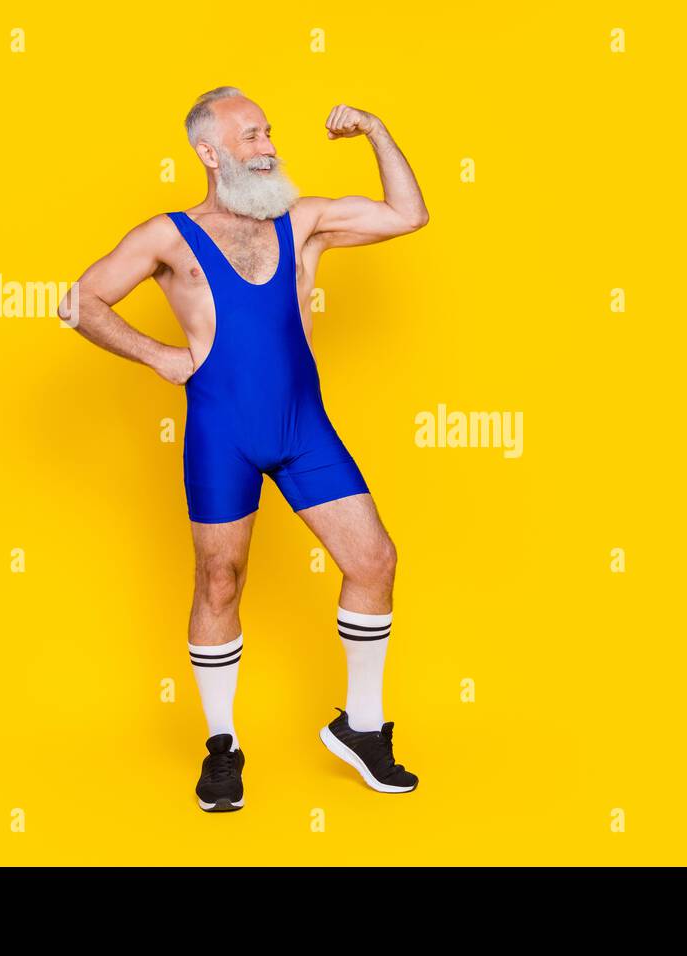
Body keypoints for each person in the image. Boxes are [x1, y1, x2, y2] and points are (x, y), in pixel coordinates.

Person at [61, 87, 429, 810]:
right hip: (221, 434)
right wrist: (160, 356)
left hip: (304, 429)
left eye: (268, 132)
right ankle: (222, 744)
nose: (268, 145)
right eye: (253, 135)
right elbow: (80, 300)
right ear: (210, 152)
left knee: (374, 560)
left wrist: (378, 130)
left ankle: (360, 727)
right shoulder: (167, 237)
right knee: (220, 582)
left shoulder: (304, 221)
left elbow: (409, 215)